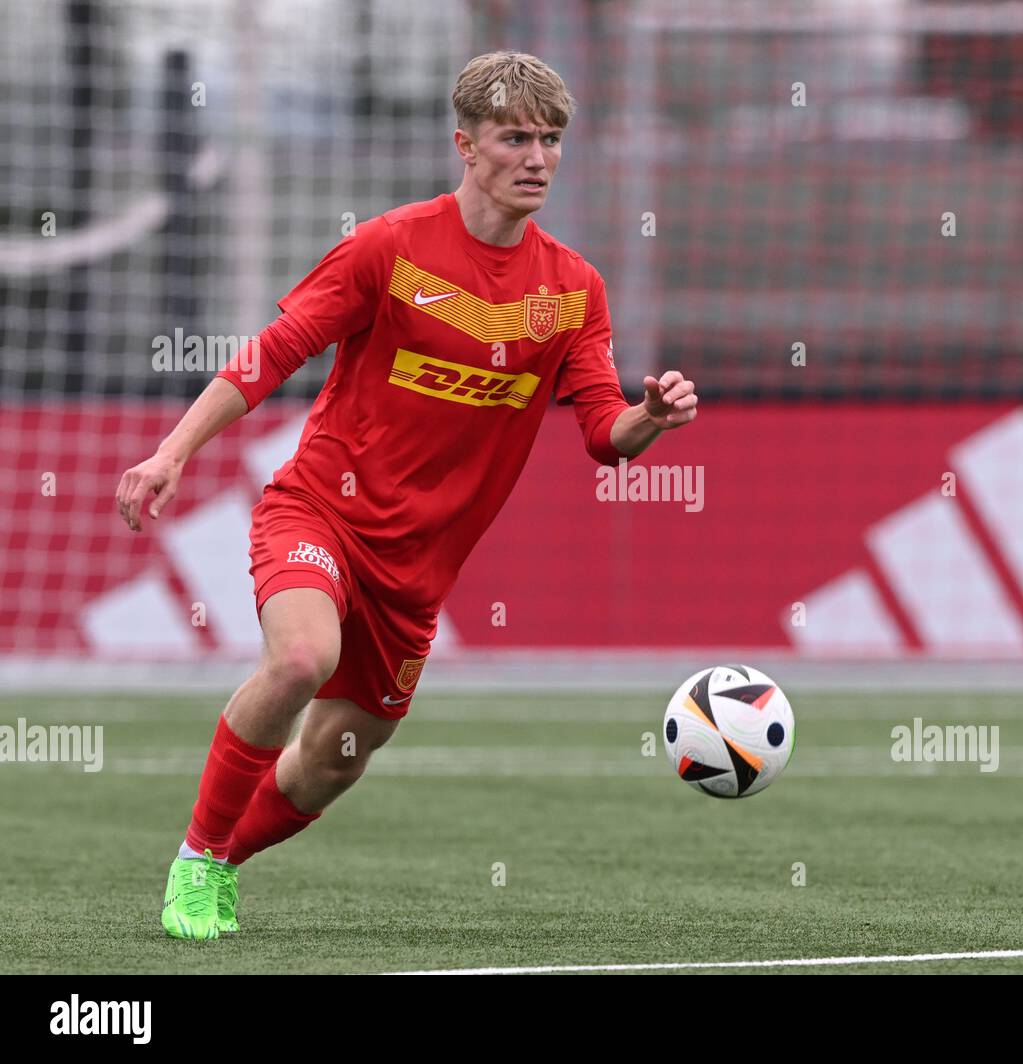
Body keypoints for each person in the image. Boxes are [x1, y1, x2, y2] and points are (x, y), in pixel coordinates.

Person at [114, 50, 698, 940]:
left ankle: (225, 863)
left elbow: (601, 435)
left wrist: (649, 416)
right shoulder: (388, 247)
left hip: (416, 572)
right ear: (466, 144)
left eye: (550, 140)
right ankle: (193, 862)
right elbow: (274, 351)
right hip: (320, 511)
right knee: (302, 658)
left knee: (334, 761)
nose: (536, 157)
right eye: (515, 138)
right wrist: (173, 452)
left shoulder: (574, 290)